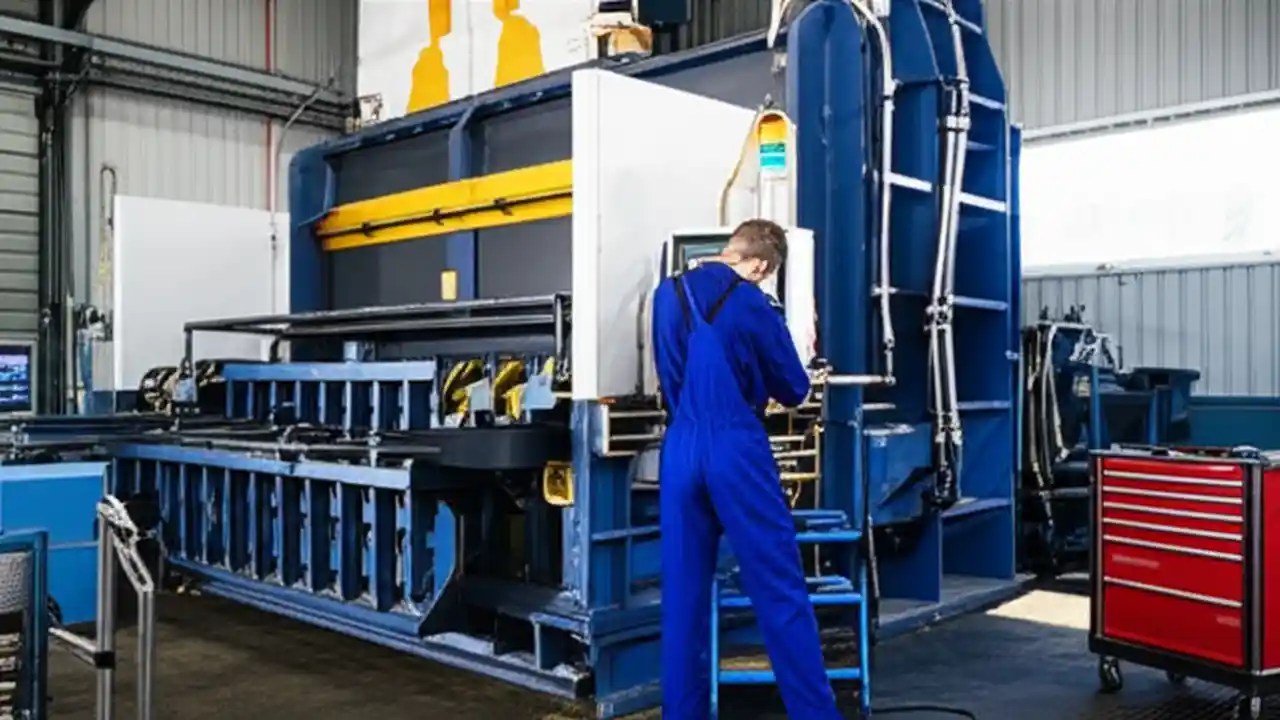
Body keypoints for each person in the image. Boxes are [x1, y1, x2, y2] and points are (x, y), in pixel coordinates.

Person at [652, 219, 841, 719]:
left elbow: (672, 379)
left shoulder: (666, 295)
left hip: (681, 447)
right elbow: (794, 388)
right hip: (735, 446)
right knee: (779, 591)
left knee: (683, 601)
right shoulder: (753, 301)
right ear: (760, 264)